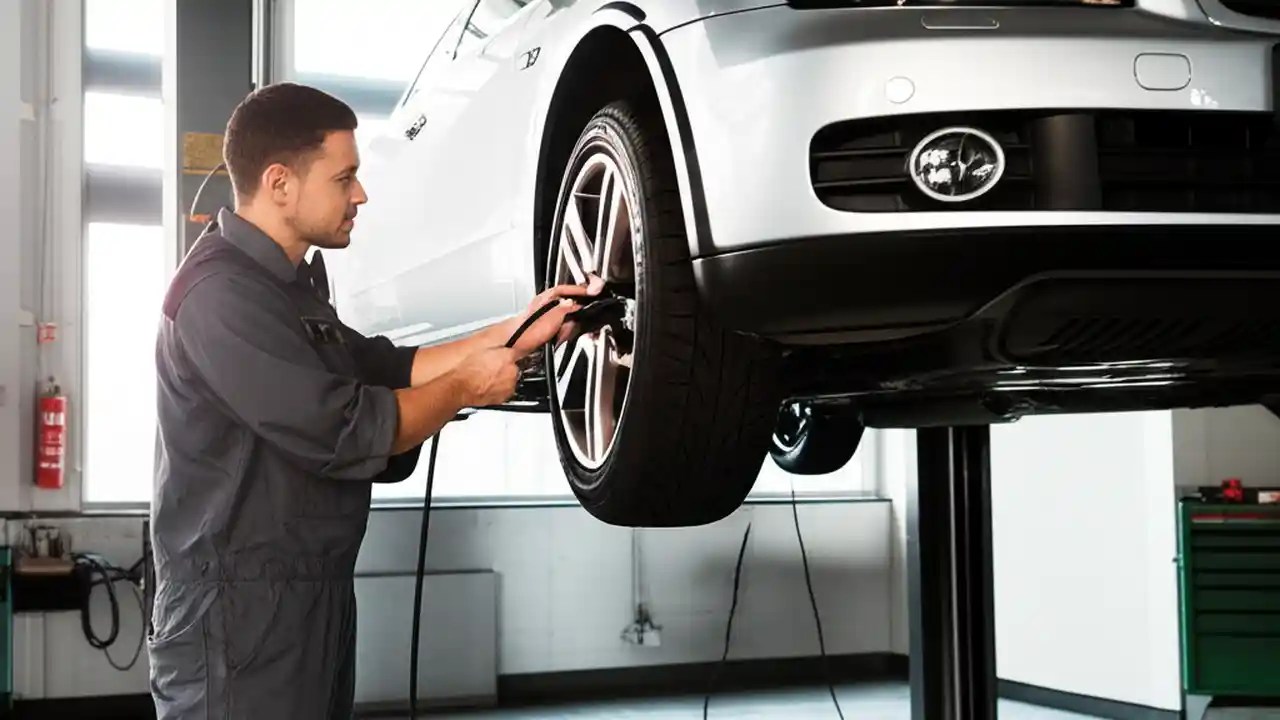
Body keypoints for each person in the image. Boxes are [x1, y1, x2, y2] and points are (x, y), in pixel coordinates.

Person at [147, 82, 594, 719]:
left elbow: (387, 367)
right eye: (345, 177)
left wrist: (518, 331)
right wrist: (468, 386)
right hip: (235, 616)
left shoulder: (287, 289)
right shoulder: (220, 296)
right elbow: (343, 428)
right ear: (280, 183)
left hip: (306, 602)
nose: (360, 194)